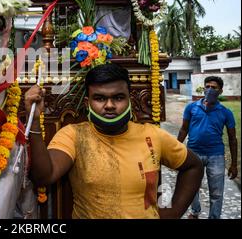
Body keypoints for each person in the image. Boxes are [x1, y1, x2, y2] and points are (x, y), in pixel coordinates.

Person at [24, 63, 203, 219]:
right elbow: (44, 176)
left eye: (118, 97)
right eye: (100, 98)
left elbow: (194, 166)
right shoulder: (73, 135)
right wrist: (34, 119)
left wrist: (173, 213)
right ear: (87, 103)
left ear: (129, 100)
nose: (109, 105)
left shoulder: (153, 135)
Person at [178, 76, 238, 219]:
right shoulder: (191, 107)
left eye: (214, 87)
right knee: (191, 187)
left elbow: (232, 139)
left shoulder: (226, 112)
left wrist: (234, 164)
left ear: (220, 91)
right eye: (208, 86)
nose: (210, 90)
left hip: (216, 155)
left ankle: (214, 217)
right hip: (193, 153)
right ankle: (195, 211)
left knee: (216, 192)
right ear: (203, 88)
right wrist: (176, 150)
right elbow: (183, 130)